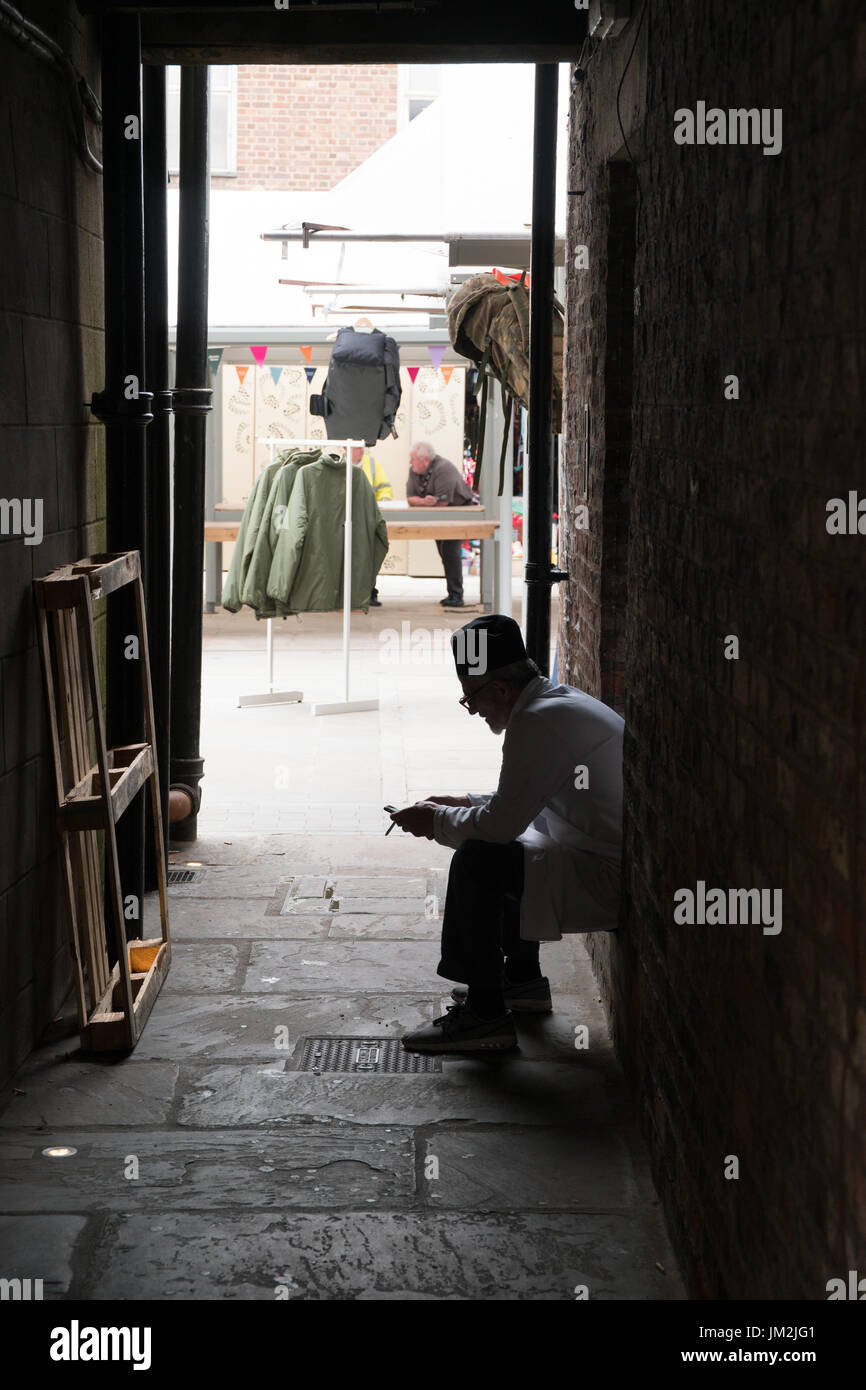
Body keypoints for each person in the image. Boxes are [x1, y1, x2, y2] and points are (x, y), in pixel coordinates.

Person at [388, 614, 624, 1053]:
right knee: (514, 849)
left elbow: (500, 825)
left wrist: (434, 822)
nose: (472, 710)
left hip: (602, 877)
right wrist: (461, 802)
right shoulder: (552, 703)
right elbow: (524, 797)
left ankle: (485, 1015)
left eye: (470, 698)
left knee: (479, 860)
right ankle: (521, 981)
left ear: (498, 689)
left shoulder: (538, 720)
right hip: (586, 854)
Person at [406, 440, 478, 608]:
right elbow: (410, 498)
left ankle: (456, 595)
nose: (410, 463)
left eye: (413, 459)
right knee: (444, 552)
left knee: (450, 552)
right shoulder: (415, 471)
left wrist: (423, 501)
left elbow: (442, 502)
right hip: (438, 515)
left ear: (425, 460)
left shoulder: (444, 468)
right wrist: (426, 501)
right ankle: (453, 594)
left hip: (457, 513)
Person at [350, 444, 392, 607]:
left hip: (369, 518)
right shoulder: (339, 465)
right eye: (357, 448)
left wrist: (383, 502)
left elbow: (384, 488)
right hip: (347, 519)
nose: (361, 451)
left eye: (362, 448)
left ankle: (370, 592)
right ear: (346, 449)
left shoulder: (372, 464)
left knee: (369, 556)